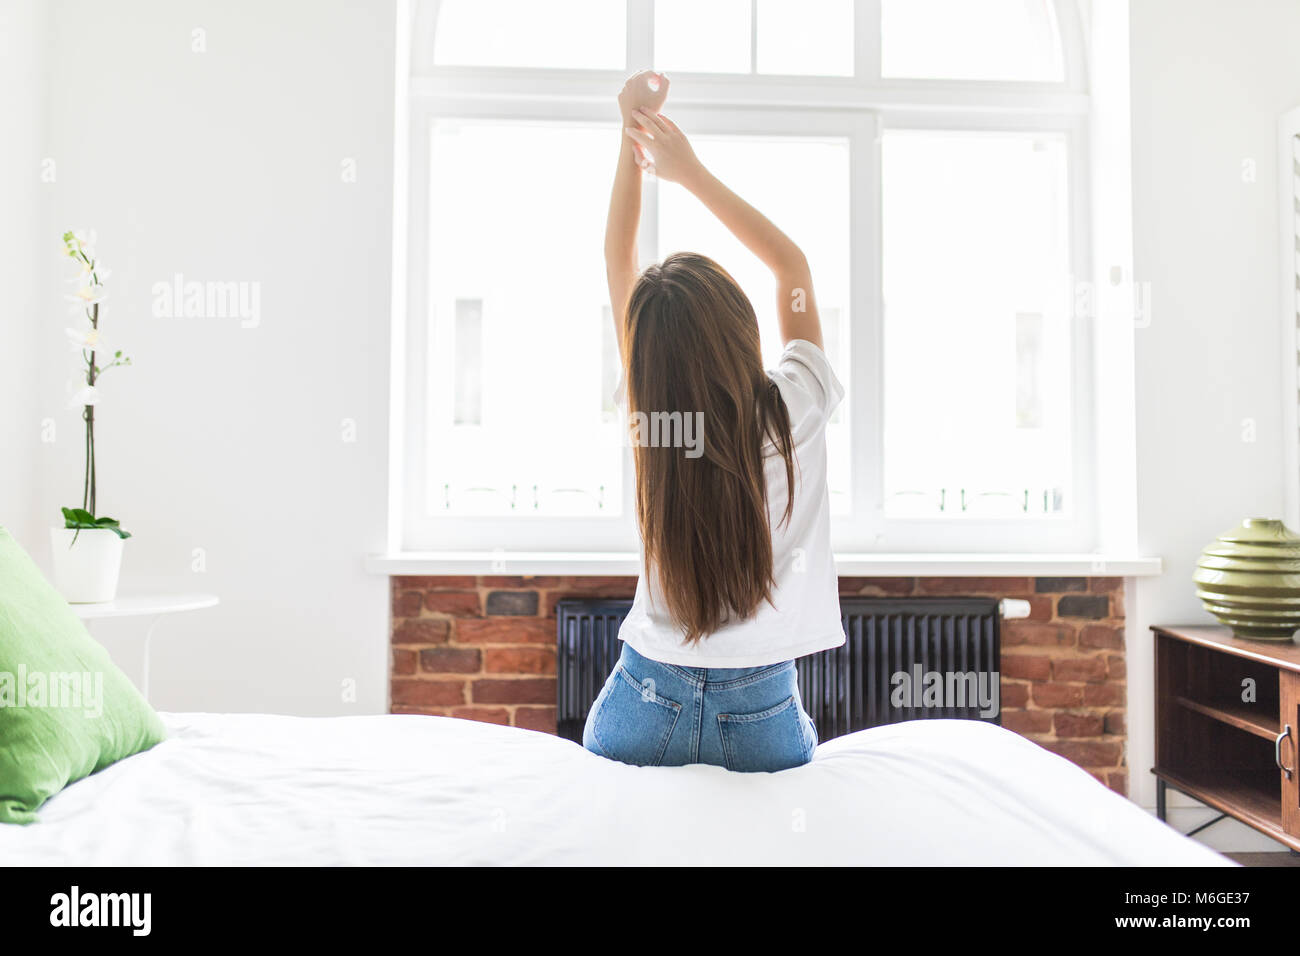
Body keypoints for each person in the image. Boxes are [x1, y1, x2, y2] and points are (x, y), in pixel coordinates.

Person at [584, 71, 845, 773]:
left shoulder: (650, 416)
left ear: (648, 356)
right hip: (759, 711)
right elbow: (791, 263)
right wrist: (687, 171)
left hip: (644, 700)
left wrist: (630, 131)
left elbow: (617, 258)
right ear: (741, 330)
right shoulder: (799, 406)